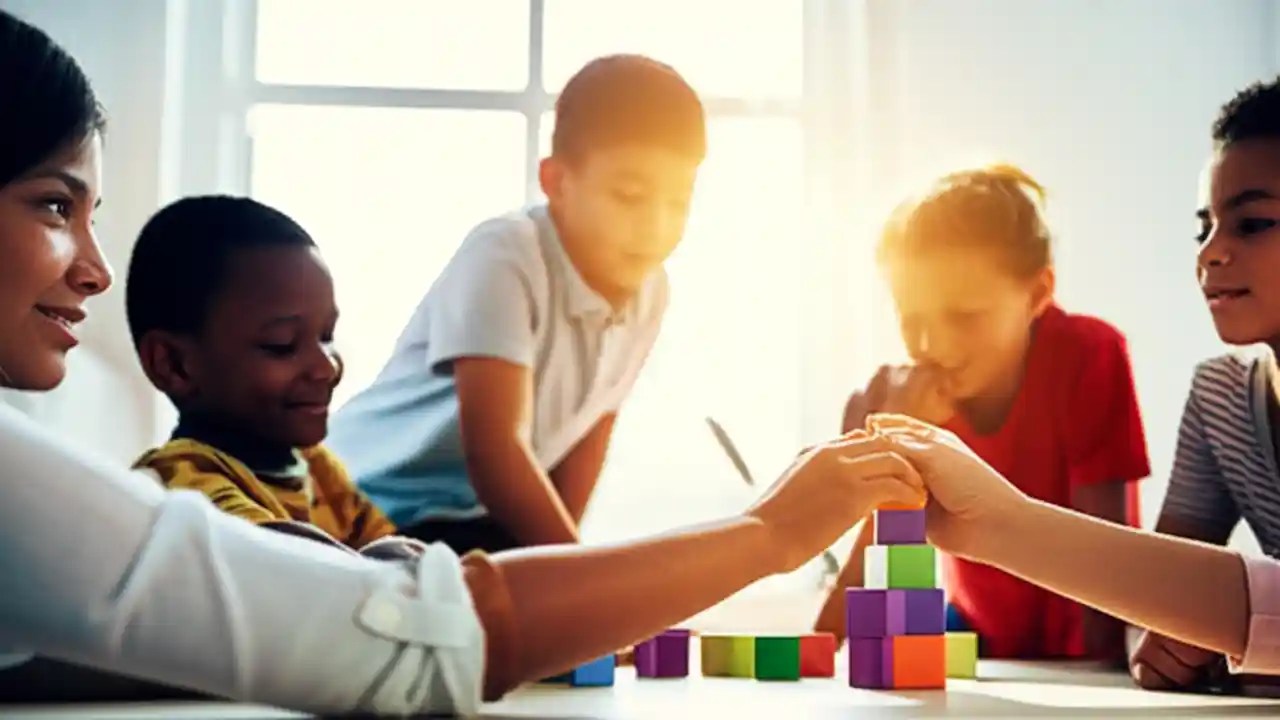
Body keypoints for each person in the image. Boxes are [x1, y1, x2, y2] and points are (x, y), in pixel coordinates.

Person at [0, 11, 925, 714]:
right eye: (52, 206)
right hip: (433, 516)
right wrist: (759, 538)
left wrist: (577, 581)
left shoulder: (647, 299)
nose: (95, 268)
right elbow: (436, 542)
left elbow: (573, 444)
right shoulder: (503, 256)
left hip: (433, 552)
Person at [327, 54, 702, 554]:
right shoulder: (506, 252)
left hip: (469, 519)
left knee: (604, 601)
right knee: (525, 610)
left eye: (678, 202)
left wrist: (567, 573)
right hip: (368, 503)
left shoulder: (651, 289)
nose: (656, 226)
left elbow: (590, 433)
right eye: (629, 196)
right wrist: (578, 579)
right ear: (556, 183)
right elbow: (495, 454)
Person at [815, 164, 1150, 662]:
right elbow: (857, 612)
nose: (933, 346)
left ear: (1037, 295)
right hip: (980, 642)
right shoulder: (907, 397)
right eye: (912, 319)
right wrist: (892, 454)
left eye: (964, 317)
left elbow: (1107, 564)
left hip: (1084, 648)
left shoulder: (1088, 354)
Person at [868, 413, 1280, 681]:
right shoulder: (1220, 392)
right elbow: (1164, 624)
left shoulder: (1090, 352)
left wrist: (1001, 526)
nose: (1210, 269)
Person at [126, 196, 400, 553]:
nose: (326, 367)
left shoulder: (317, 467)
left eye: (326, 338)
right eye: (282, 344)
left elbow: (394, 552)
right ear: (174, 364)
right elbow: (285, 565)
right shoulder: (183, 481)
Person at [1130, 74, 1280, 691]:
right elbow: (1153, 598)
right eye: (1205, 227)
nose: (1210, 253)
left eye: (1252, 224)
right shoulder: (1219, 397)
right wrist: (1161, 642)